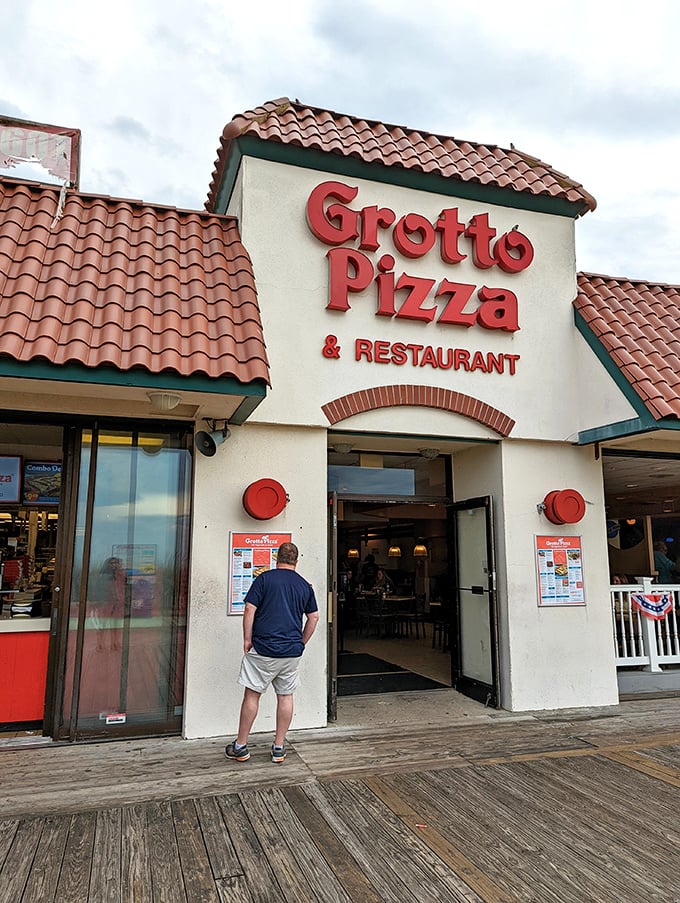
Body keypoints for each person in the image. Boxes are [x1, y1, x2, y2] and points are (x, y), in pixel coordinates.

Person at [226, 542, 319, 764]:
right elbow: (313, 617)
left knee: (252, 695)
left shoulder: (264, 579)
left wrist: (247, 639)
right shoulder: (305, 586)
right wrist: (301, 642)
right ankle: (278, 747)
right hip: (291, 652)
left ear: (277, 558)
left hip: (263, 649)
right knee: (285, 696)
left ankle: (240, 746)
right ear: (297, 560)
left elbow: (249, 608)